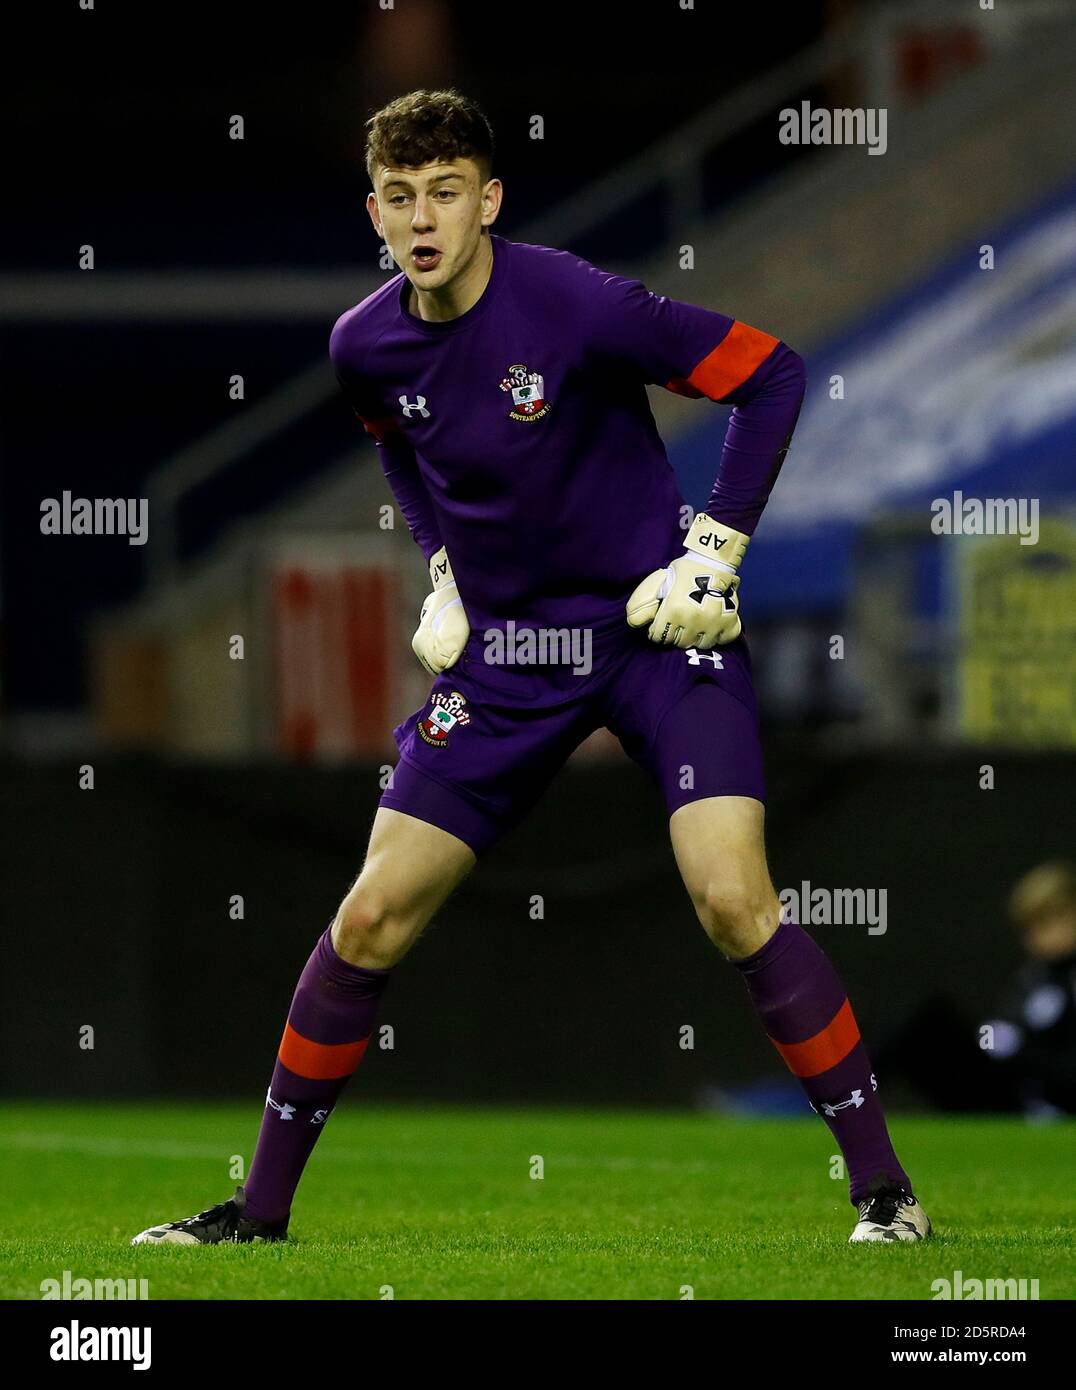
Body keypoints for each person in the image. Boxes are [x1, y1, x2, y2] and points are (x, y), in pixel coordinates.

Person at [132, 88, 929, 1248]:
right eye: (399, 198)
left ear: (488, 200)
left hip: (655, 631)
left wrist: (713, 551)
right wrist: (445, 565)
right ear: (374, 211)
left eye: (444, 192)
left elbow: (771, 371)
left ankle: (884, 1196)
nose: (422, 218)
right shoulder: (363, 345)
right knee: (367, 924)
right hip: (507, 660)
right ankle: (256, 1216)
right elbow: (398, 449)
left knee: (730, 898)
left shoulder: (573, 301)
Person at [873, 862, 1076, 1116]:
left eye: (1053, 919)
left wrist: (1021, 1049)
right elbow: (1004, 1031)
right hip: (1005, 1088)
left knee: (930, 1013)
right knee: (928, 1020)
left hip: (1042, 1101)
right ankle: (843, 1096)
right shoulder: (1035, 976)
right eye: (1030, 926)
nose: (1041, 935)